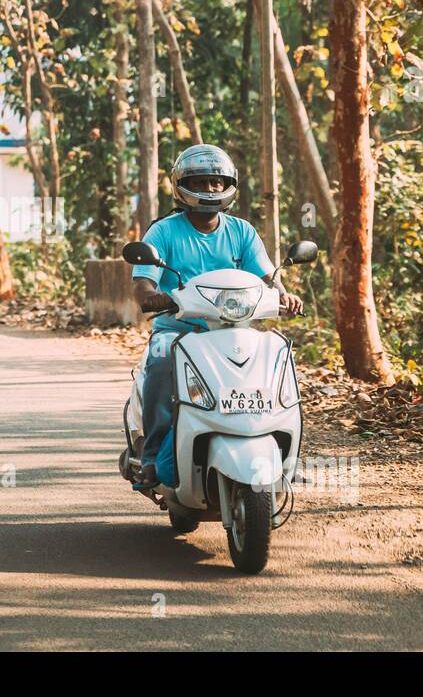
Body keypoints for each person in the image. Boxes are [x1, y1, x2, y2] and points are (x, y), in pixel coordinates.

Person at [129, 144, 304, 489]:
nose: (209, 189)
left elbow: (268, 276)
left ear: (229, 185)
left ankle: (288, 454)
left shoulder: (242, 231)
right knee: (161, 361)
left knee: (279, 358)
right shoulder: (163, 231)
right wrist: (155, 297)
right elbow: (143, 285)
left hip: (235, 329)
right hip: (178, 330)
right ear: (182, 185)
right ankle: (152, 458)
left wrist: (284, 294)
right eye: (200, 182)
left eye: (216, 182)